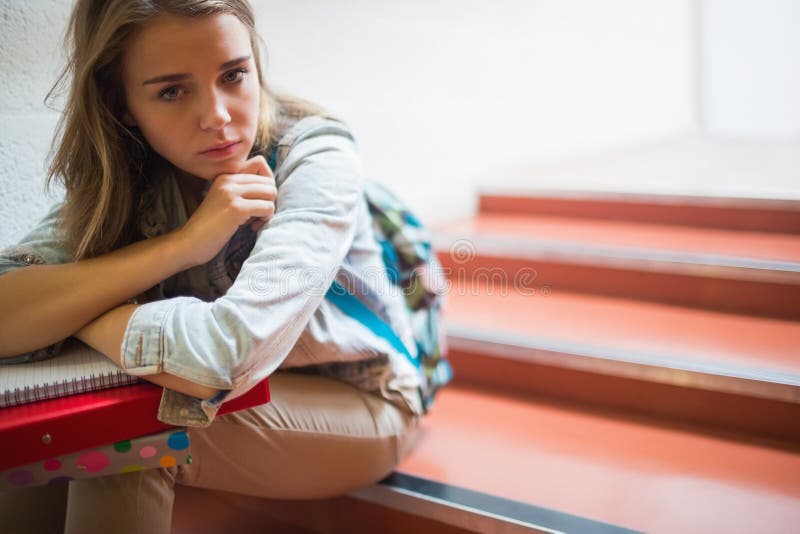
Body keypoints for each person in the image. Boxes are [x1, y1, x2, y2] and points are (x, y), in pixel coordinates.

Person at [0, 1, 426, 532]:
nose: (219, 117)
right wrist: (182, 244)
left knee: (121, 441)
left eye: (234, 75)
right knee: (31, 439)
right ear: (122, 103)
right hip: (234, 399)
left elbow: (220, 358)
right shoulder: (128, 176)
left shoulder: (313, 155)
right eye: (173, 91)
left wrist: (81, 307)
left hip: (362, 399)